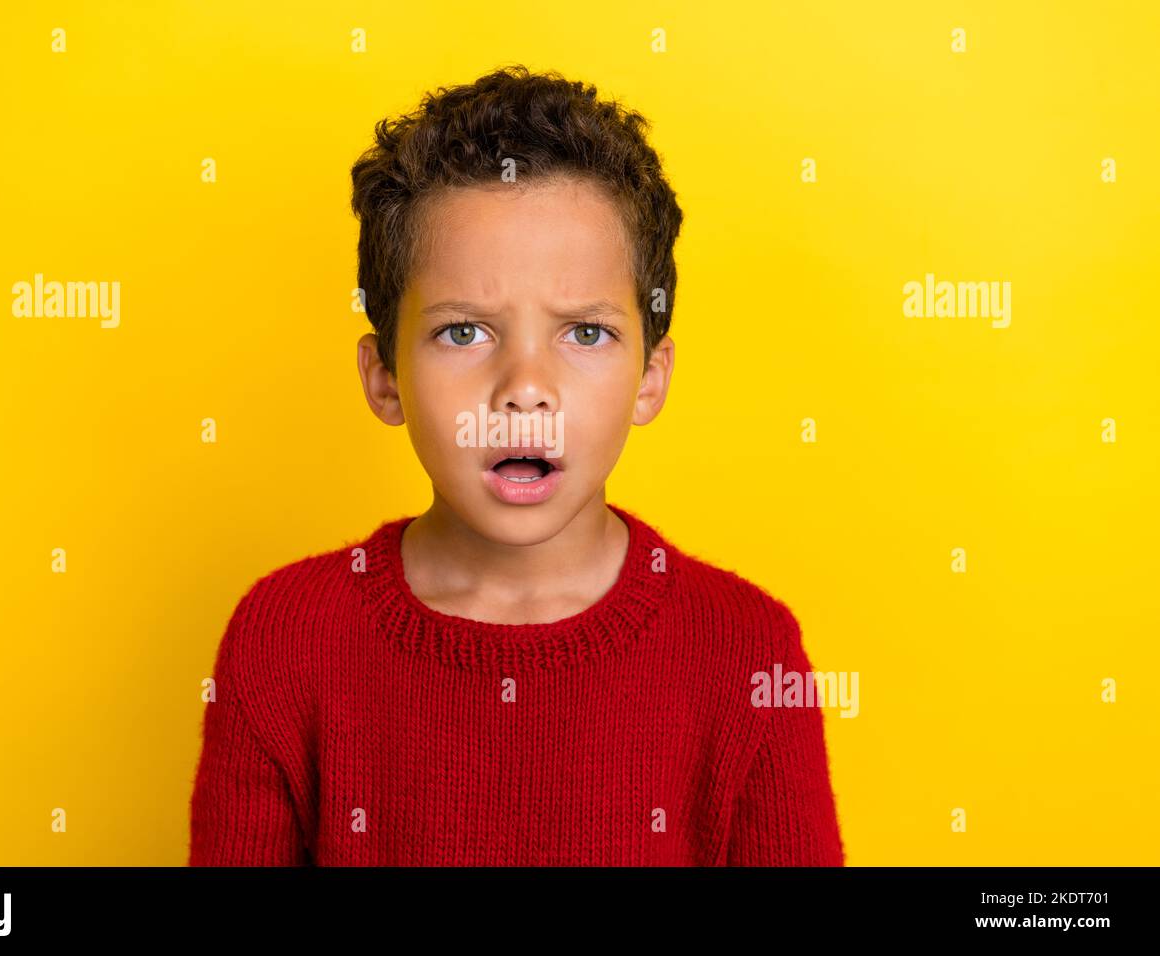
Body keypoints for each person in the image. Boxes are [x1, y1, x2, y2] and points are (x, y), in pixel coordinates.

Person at [189, 64, 844, 866]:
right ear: (383, 376)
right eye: (465, 332)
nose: (526, 390)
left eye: (585, 333)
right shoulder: (283, 642)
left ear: (651, 376)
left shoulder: (751, 656)